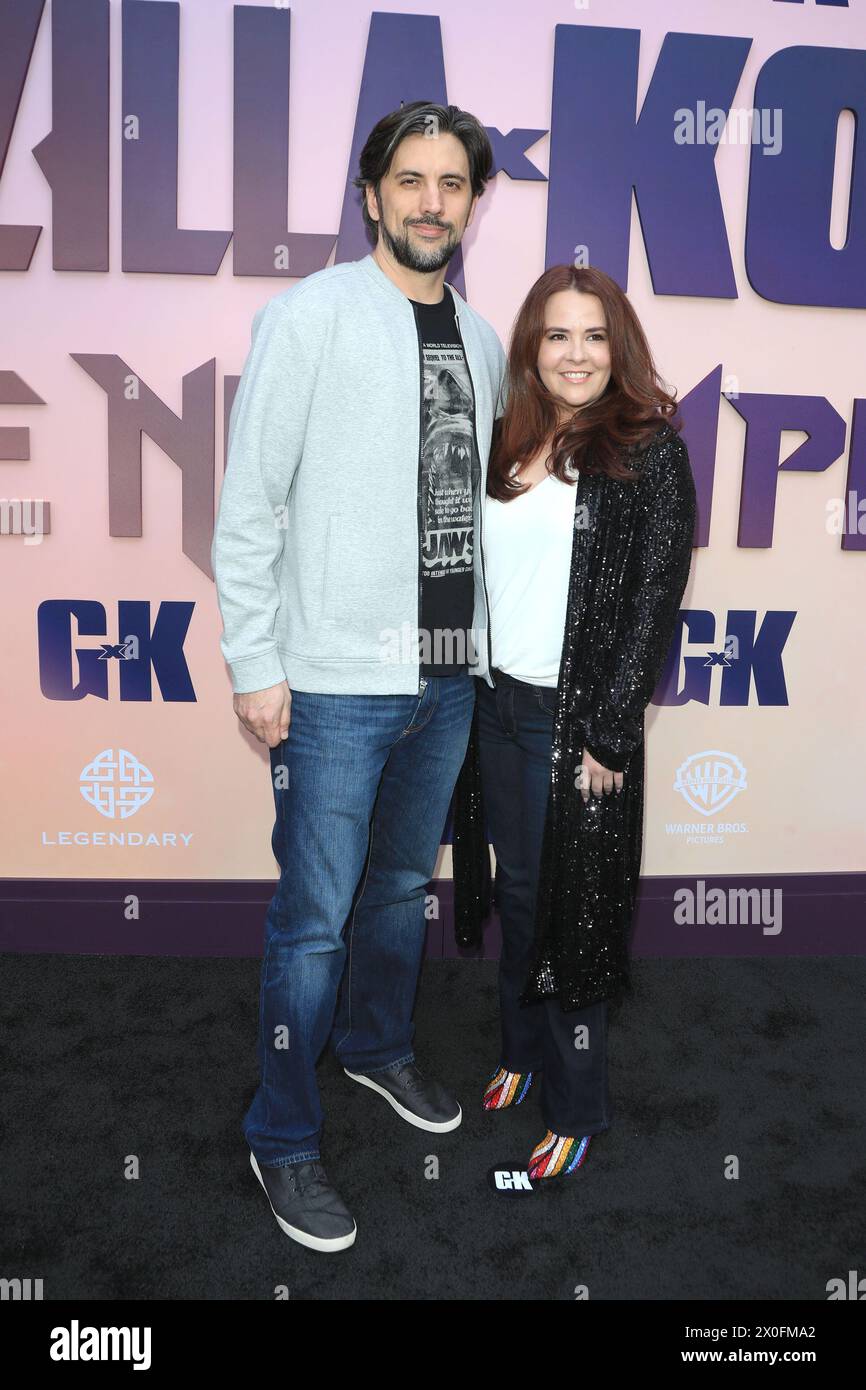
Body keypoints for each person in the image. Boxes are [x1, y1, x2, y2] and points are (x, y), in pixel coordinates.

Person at [211, 101, 506, 1251]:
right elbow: (249, 504)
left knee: (395, 895)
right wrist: (254, 660)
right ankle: (280, 1133)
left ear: (472, 201)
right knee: (314, 923)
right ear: (372, 194)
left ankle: (377, 1050)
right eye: (410, 179)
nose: (432, 200)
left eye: (452, 182)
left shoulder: (482, 342)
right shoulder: (311, 316)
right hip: (330, 682)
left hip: (446, 681)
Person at [451, 264, 697, 1180]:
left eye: (595, 335)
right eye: (558, 335)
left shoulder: (649, 450)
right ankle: (520, 1052)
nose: (577, 353)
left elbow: (653, 602)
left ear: (618, 346)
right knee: (519, 895)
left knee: (576, 913)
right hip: (496, 706)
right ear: (532, 347)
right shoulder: (506, 440)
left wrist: (613, 731)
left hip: (578, 721)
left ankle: (577, 1104)